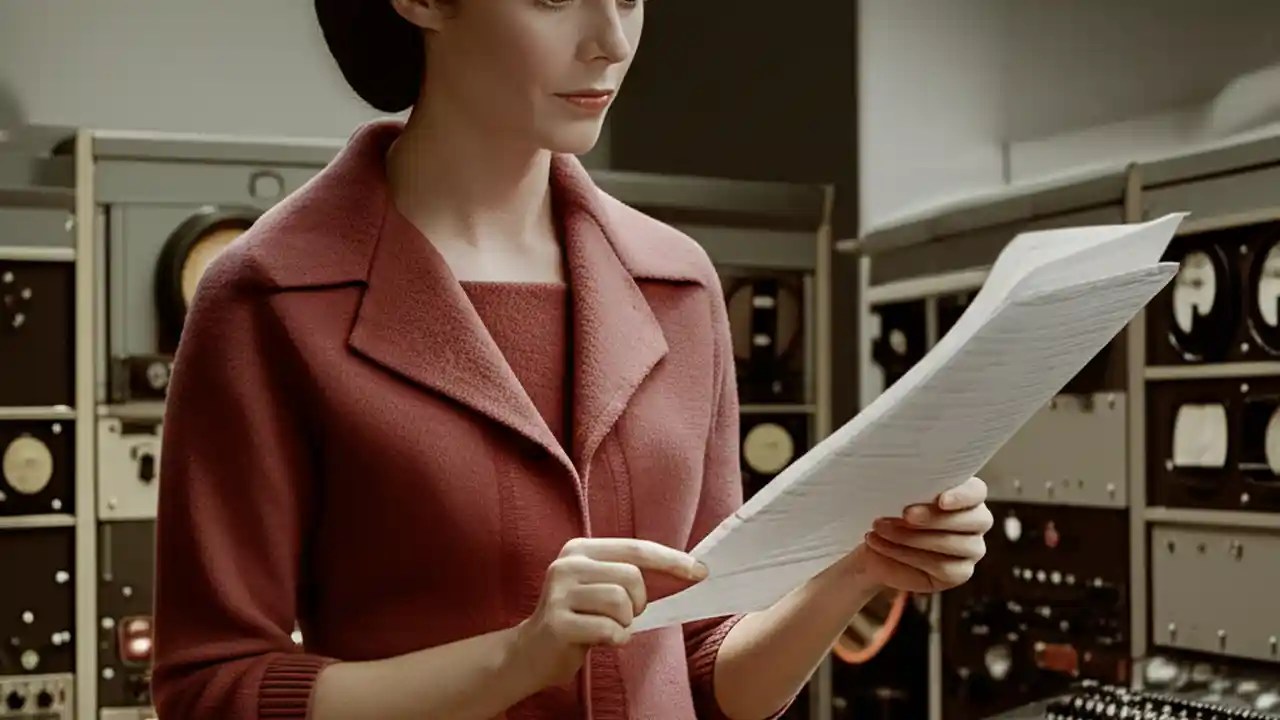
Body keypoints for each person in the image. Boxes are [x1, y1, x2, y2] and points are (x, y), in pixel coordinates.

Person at [148, 1, 993, 718]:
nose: (611, 41)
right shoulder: (268, 298)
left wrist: (858, 567)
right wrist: (515, 661)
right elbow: (211, 686)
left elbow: (708, 667)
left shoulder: (680, 285)